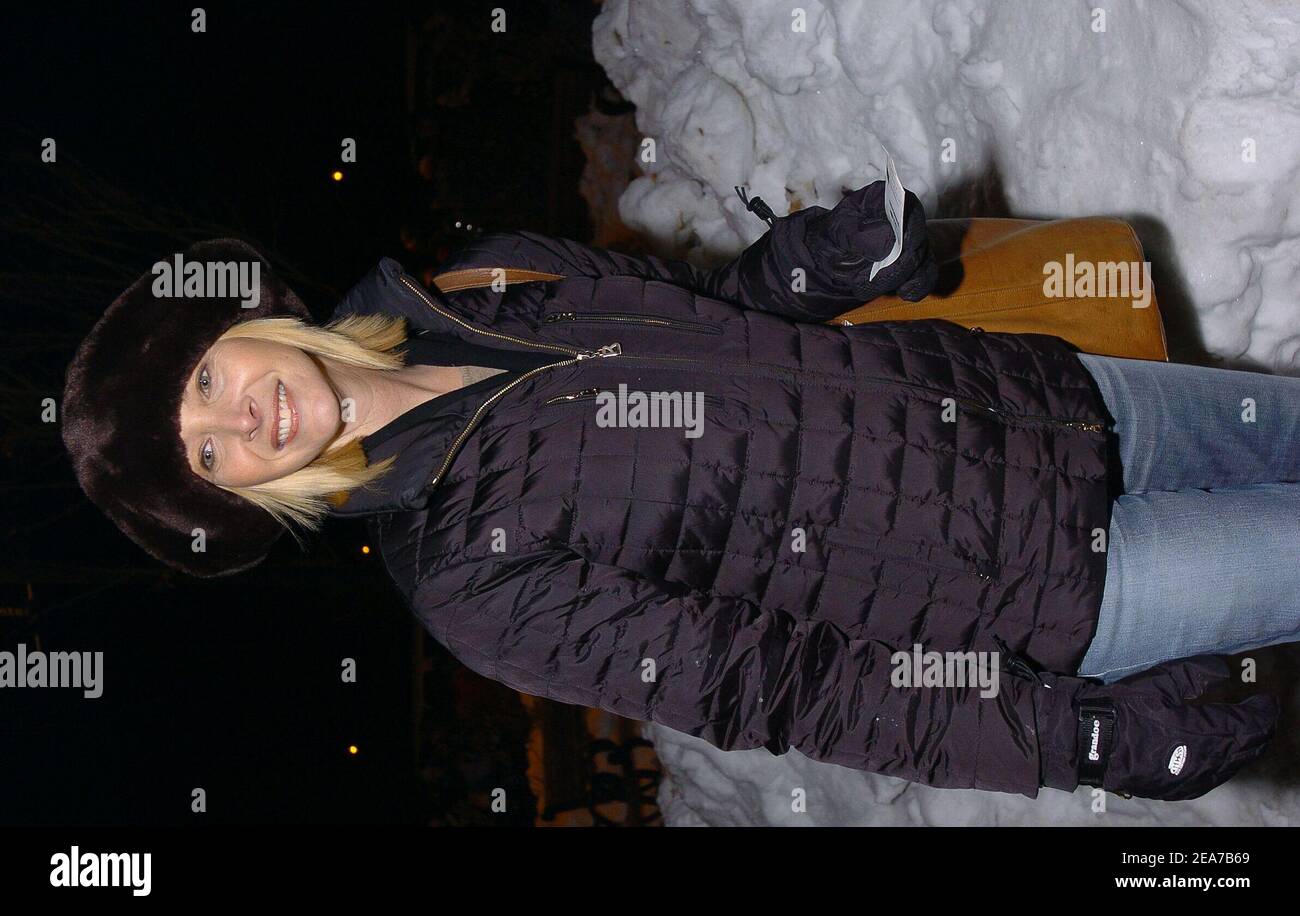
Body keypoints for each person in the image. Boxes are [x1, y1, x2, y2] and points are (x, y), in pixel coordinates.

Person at [61, 182, 1283, 802]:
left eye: (213, 377)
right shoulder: (470, 583)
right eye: (210, 454)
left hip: (1048, 397)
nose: (243, 418)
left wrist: (816, 259)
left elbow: (720, 317)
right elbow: (788, 685)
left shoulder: (485, 279)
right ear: (243, 497)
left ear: (251, 322)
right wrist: (1073, 738)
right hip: (1057, 586)